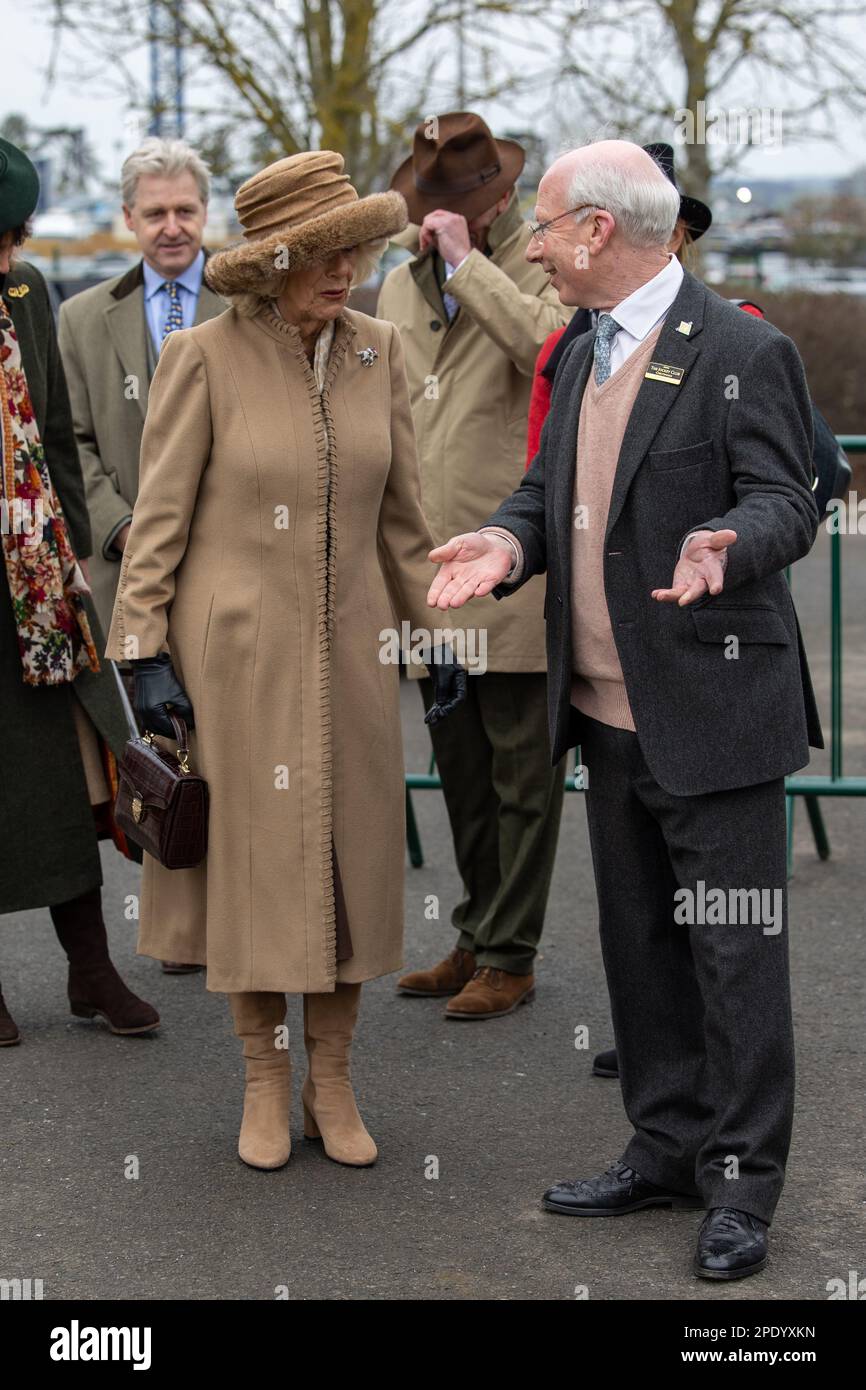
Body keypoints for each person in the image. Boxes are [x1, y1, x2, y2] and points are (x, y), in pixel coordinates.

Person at [426, 139, 822, 1281]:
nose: (534, 245)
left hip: (711, 710)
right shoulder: (579, 344)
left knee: (732, 955)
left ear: (597, 229)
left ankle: (741, 1185)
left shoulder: (741, 346)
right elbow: (552, 492)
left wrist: (729, 542)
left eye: (543, 225)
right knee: (638, 946)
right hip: (604, 712)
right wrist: (505, 540)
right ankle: (664, 1143)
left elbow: (786, 499)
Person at [103, 150, 465, 1172]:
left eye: (350, 247)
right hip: (235, 665)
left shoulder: (378, 351)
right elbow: (157, 523)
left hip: (349, 656)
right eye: (317, 253)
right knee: (255, 874)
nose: (341, 269)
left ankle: (334, 1079)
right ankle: (264, 1079)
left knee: (349, 865)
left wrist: (432, 638)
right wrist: (142, 655)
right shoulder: (203, 359)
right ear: (268, 263)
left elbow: (404, 522)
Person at [377, 113, 571, 1020]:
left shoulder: (544, 269)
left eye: (457, 204)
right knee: (459, 769)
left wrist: (468, 268)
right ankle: (474, 932)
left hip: (514, 565)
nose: (438, 217)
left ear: (495, 204)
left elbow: (550, 355)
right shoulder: (391, 289)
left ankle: (513, 952)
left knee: (521, 776)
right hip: (429, 572)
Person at [0, 138, 158, 1046]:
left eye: (16, 238)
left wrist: (64, 551)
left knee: (68, 774)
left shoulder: (24, 296)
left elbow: (55, 431)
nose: (11, 259)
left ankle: (91, 971)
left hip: (32, 575)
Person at [58, 137, 226, 975]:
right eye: (155, 212)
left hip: (236, 564)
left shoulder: (246, 299)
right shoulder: (82, 318)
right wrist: (124, 526)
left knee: (238, 741)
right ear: (128, 218)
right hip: (134, 571)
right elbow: (71, 442)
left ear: (208, 212)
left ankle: (246, 915)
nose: (172, 227)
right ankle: (181, 929)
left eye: (186, 210)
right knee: (161, 750)